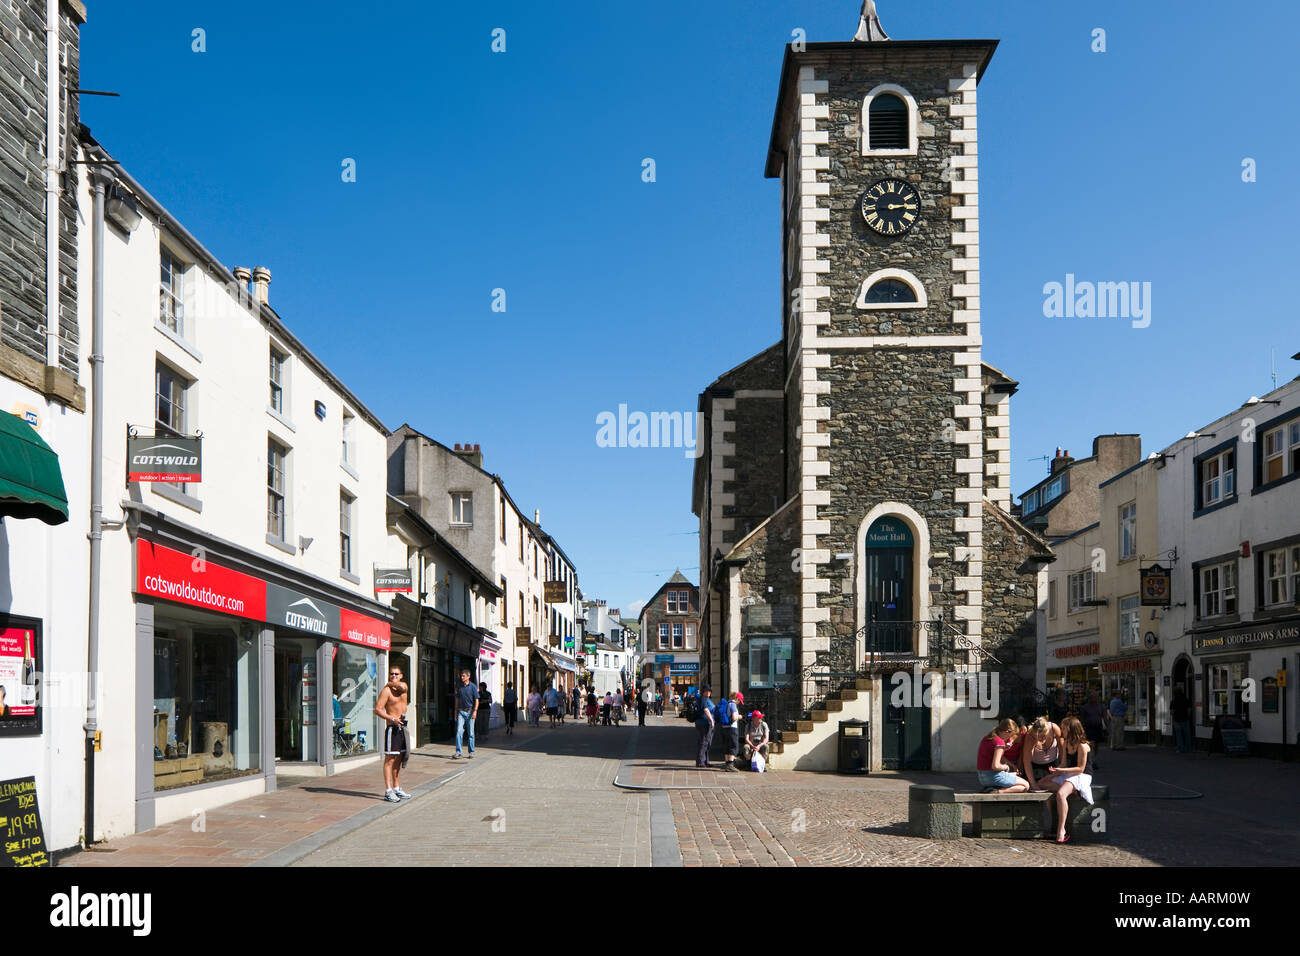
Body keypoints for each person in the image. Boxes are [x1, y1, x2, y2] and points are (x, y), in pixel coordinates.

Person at [1038, 716, 1095, 844]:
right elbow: (1064, 763)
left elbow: (1081, 768)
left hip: (1082, 776)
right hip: (1069, 773)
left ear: (1070, 729)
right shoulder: (1067, 743)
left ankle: (1061, 830)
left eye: (1063, 728)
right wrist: (1055, 771)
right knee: (1042, 783)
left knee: (1061, 794)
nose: (1061, 730)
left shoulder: (1083, 745)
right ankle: (1073, 791)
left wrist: (1061, 771)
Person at [374, 666, 411, 801]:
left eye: (396, 674)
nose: (394, 675)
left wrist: (389, 682)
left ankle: (396, 788)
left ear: (401, 675)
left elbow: (402, 687)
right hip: (392, 728)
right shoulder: (386, 691)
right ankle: (388, 790)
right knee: (390, 759)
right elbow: (377, 709)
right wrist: (391, 719)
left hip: (403, 728)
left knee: (399, 759)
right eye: (391, 674)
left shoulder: (403, 687)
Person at [976, 718, 1030, 794]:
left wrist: (1004, 749)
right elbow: (995, 766)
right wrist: (1006, 767)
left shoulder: (987, 737)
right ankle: (998, 792)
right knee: (1026, 786)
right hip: (993, 777)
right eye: (1010, 736)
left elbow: (990, 755)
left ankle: (993, 789)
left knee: (1020, 784)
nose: (1009, 738)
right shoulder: (999, 742)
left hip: (982, 778)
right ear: (1006, 732)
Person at [1022, 716, 1064, 791]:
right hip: (1036, 768)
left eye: (1043, 736)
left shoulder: (1054, 729)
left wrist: (1061, 768)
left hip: (1053, 765)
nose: (1041, 739)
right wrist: (1033, 784)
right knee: (1040, 785)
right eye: (1038, 737)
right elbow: (1026, 761)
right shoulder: (1030, 735)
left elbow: (1063, 752)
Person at [453, 670, 478, 759]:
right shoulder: (460, 687)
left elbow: (476, 700)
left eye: (463, 676)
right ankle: (458, 752)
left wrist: (475, 711)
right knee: (459, 731)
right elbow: (457, 700)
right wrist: (456, 712)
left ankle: (471, 752)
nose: (462, 677)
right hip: (461, 712)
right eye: (461, 676)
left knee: (470, 733)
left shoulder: (473, 687)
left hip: (470, 712)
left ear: (468, 676)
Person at [715, 691, 743, 772]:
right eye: (739, 701)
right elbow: (734, 717)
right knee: (733, 746)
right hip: (732, 728)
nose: (739, 703)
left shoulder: (727, 703)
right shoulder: (733, 705)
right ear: (737, 698)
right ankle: (730, 764)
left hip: (724, 727)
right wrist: (740, 716)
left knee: (726, 745)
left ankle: (727, 763)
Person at [694, 685, 716, 768]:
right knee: (703, 742)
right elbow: (706, 710)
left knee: (707, 742)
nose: (708, 692)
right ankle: (700, 762)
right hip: (703, 724)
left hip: (706, 724)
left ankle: (706, 761)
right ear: (703, 692)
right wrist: (711, 720)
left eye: (709, 691)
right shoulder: (703, 699)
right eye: (707, 691)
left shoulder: (707, 699)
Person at [1171, 687, 1193, 753]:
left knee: (1179, 736)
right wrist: (1187, 716)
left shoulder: (1173, 701)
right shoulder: (1186, 700)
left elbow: (1172, 712)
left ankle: (1181, 749)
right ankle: (1189, 749)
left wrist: (1174, 716)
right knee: (1187, 735)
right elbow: (1189, 710)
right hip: (1185, 719)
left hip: (1177, 720)